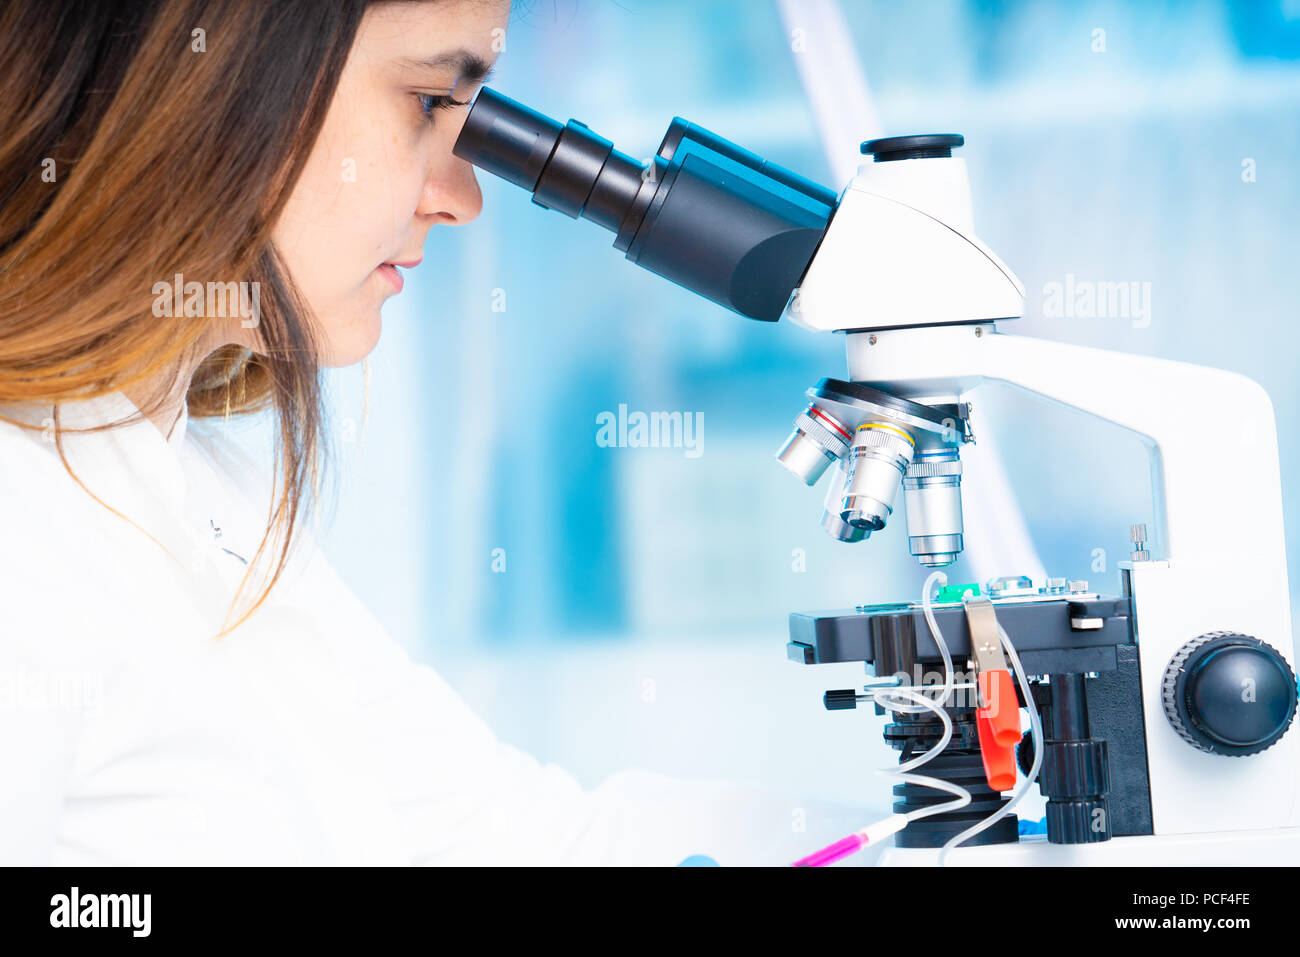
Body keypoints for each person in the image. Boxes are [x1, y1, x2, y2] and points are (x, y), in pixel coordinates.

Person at [0, 0, 879, 866]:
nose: (462, 198)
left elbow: (521, 844)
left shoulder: (195, 497)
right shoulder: (27, 532)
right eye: (428, 101)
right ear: (208, 72)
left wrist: (947, 843)